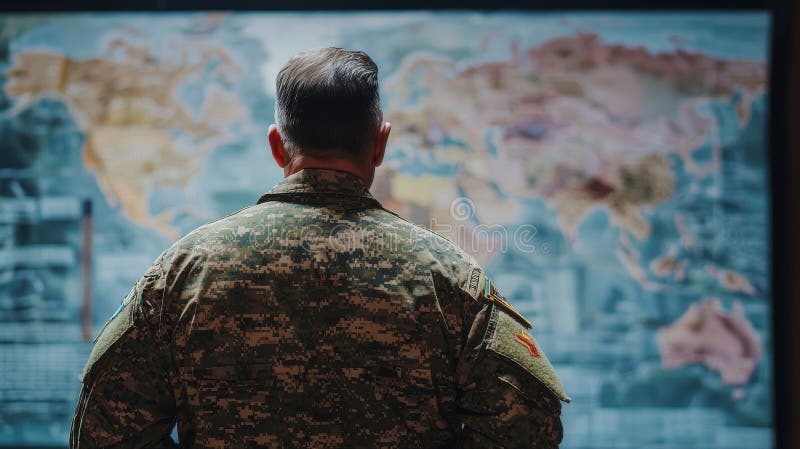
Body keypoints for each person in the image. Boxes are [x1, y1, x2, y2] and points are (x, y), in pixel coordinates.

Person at [70, 47, 569, 449]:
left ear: (277, 146)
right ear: (380, 144)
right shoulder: (450, 278)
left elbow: (104, 433)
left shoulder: (183, 271)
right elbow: (528, 429)